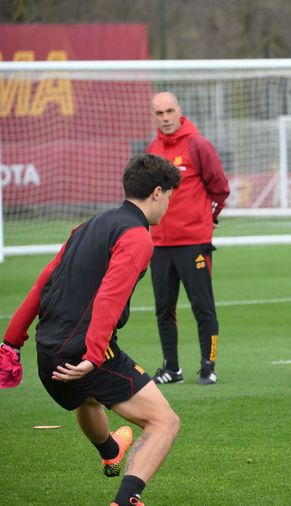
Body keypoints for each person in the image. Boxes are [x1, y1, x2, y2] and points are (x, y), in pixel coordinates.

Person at [0, 154, 182, 506]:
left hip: (47, 350)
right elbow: (109, 299)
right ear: (157, 193)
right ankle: (127, 499)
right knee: (165, 423)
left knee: (87, 396)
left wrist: (10, 342)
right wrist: (94, 356)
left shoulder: (86, 225)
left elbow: (44, 281)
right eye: (171, 197)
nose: (168, 205)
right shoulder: (138, 237)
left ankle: (110, 450)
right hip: (81, 353)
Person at [146, 91, 231, 386]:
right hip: (159, 244)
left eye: (170, 111)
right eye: (160, 113)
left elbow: (220, 187)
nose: (166, 118)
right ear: (153, 116)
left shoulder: (198, 144)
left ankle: (208, 366)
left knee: (202, 305)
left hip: (193, 242)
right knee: (163, 307)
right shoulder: (152, 149)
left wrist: (211, 217)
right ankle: (171, 368)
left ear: (179, 111)